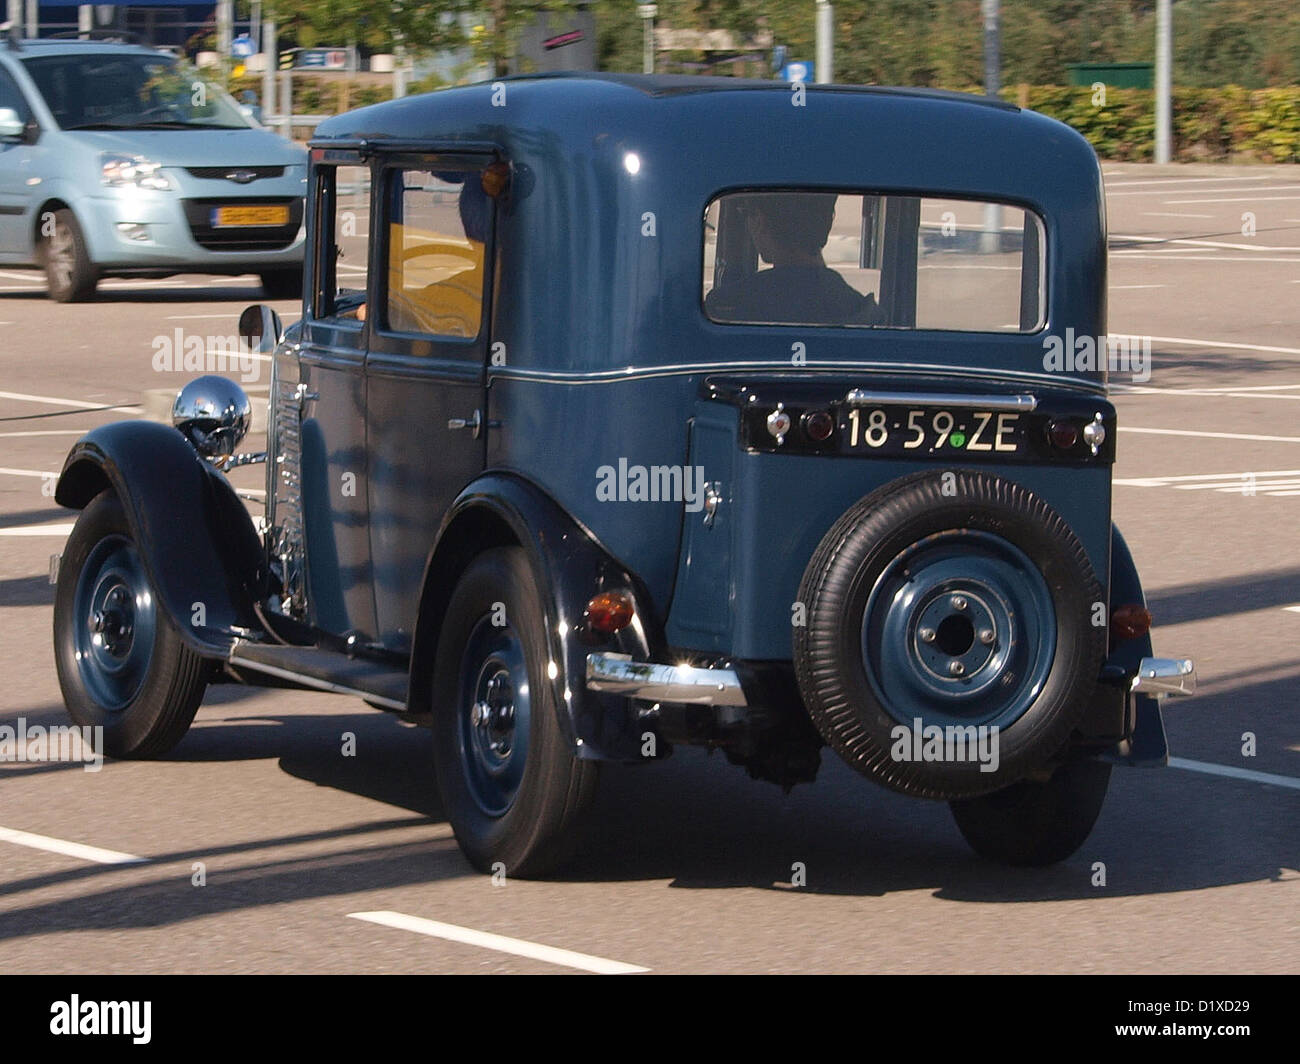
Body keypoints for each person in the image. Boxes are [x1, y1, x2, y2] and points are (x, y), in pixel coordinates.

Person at [705, 193, 882, 326]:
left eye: (747, 213)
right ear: (828, 221)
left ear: (759, 221)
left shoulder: (724, 310)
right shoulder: (863, 312)